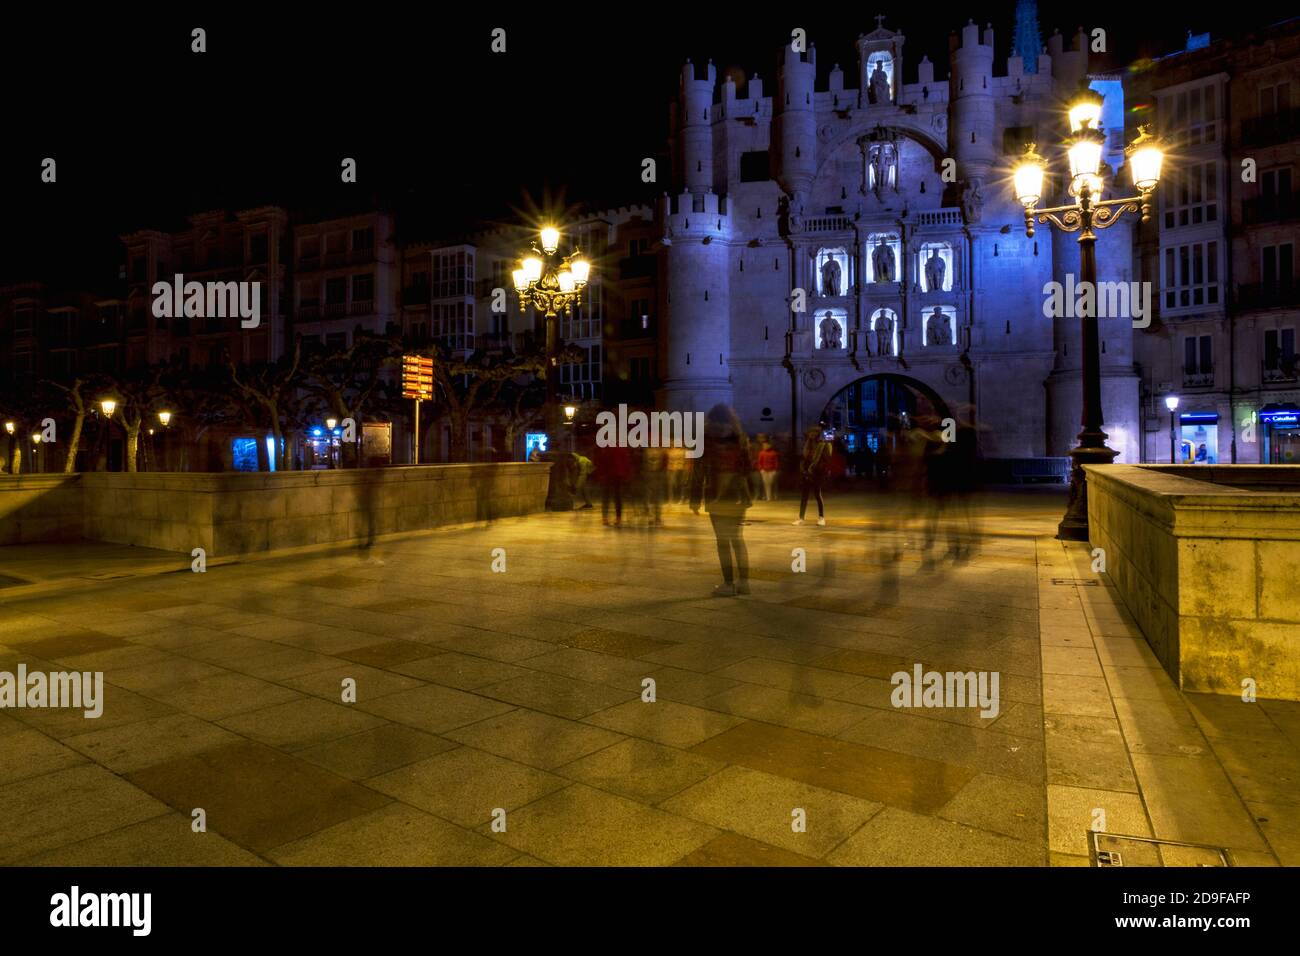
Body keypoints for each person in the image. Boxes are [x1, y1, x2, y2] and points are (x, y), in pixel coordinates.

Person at [690, 404, 753, 596]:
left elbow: (698, 471)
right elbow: (747, 469)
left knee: (722, 541)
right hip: (737, 496)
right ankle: (744, 583)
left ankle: (728, 584)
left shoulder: (705, 439)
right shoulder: (741, 440)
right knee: (737, 539)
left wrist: (694, 498)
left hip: (715, 494)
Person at [794, 426, 833, 526]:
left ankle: (821, 517)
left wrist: (820, 467)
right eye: (810, 432)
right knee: (804, 495)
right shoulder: (807, 444)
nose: (812, 434)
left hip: (817, 472)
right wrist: (802, 468)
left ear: (818, 433)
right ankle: (801, 518)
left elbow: (827, 459)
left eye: (814, 432)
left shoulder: (823, 445)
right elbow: (803, 458)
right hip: (807, 471)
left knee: (817, 494)